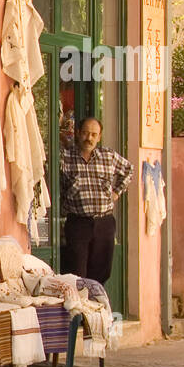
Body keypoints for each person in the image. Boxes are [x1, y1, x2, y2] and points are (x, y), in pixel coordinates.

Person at [58, 117, 132, 284]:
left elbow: (129, 170)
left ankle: (96, 307)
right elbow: (56, 184)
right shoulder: (65, 158)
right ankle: (79, 309)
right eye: (85, 133)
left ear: (99, 136)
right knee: (77, 274)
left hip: (104, 222)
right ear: (78, 133)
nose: (89, 138)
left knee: (101, 273)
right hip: (78, 223)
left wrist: (117, 192)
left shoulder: (108, 156)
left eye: (93, 134)